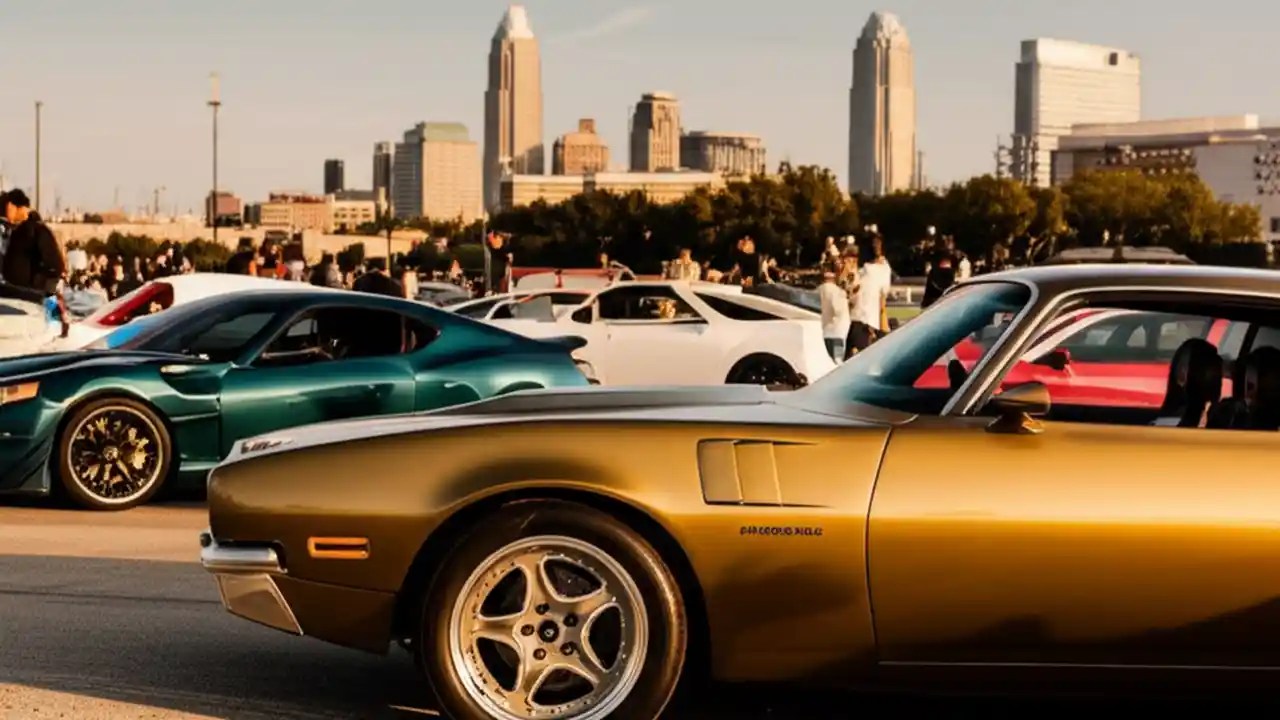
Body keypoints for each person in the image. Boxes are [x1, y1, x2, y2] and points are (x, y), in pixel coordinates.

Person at [1, 190, 66, 295]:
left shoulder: (37, 231)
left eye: (7, 207)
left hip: (29, 297)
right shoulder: (16, 231)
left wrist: (36, 287)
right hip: (13, 294)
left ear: (12, 206)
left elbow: (54, 265)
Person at [846, 235, 892, 358]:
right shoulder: (866, 269)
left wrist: (883, 329)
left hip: (865, 322)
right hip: (860, 320)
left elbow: (882, 302)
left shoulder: (881, 269)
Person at [817, 270, 850, 362]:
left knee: (828, 360)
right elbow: (838, 310)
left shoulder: (818, 290)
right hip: (838, 331)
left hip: (825, 331)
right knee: (837, 361)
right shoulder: (837, 291)